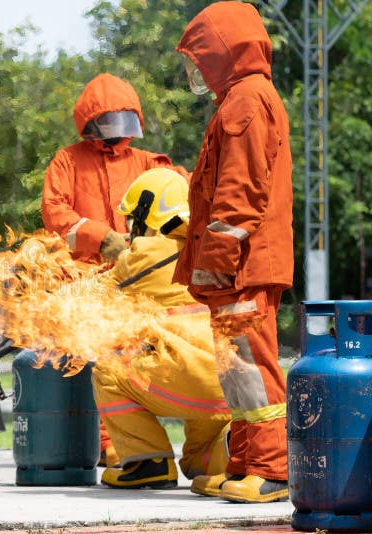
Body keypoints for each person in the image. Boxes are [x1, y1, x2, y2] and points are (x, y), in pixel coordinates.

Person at [173, 1, 293, 503]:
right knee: (238, 368)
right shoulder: (239, 98)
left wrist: (218, 259)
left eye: (200, 58)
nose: (196, 70)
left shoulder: (246, 100)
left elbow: (241, 192)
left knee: (252, 368)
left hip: (241, 267)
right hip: (237, 266)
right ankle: (246, 463)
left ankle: (274, 469)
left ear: (223, 52)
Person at [41, 73, 188, 467]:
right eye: (103, 124)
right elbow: (55, 212)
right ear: (86, 123)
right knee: (104, 360)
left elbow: (182, 206)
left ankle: (195, 450)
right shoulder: (68, 161)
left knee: (165, 360)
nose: (113, 134)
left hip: (145, 283)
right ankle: (115, 445)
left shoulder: (151, 164)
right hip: (92, 284)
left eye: (120, 123)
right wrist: (99, 236)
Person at [92, 168, 231, 489]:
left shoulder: (143, 253)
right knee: (198, 463)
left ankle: (147, 461)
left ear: (145, 214)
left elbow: (96, 299)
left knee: (107, 370)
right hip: (229, 384)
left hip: (182, 378)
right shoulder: (211, 248)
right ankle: (235, 445)